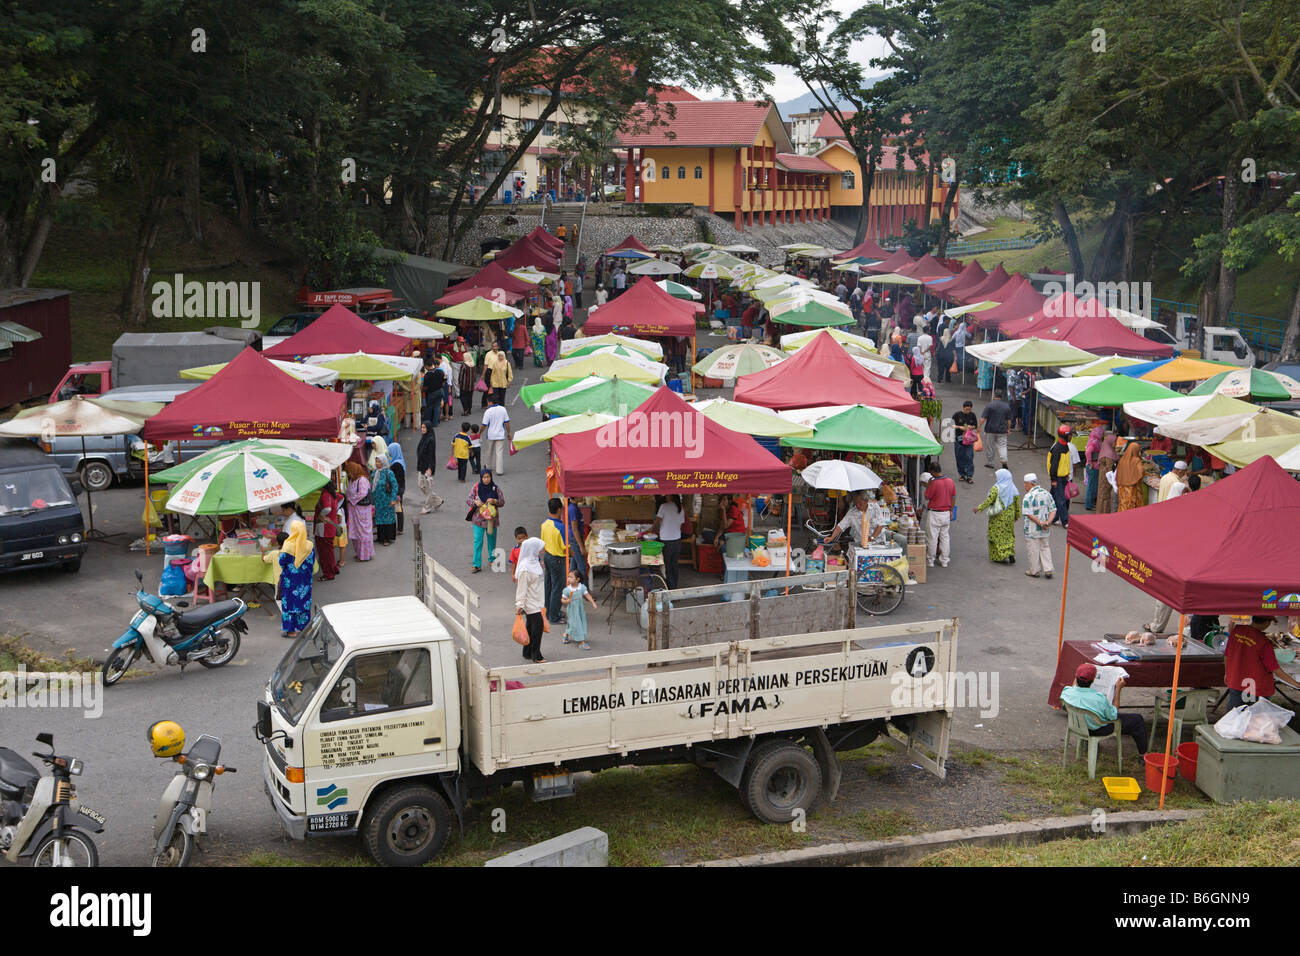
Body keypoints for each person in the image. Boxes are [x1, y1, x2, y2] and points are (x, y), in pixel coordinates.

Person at [1060, 663, 1148, 757]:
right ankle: (1143, 755)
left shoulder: (1066, 692)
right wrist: (1118, 689)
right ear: (1093, 680)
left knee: (1090, 712)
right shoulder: (1099, 698)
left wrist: (1079, 675)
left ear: (1076, 677)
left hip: (1077, 726)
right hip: (1097, 729)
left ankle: (1088, 742)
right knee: (1137, 720)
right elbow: (1113, 714)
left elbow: (1073, 690)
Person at [1224, 615, 1300, 713]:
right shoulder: (1263, 642)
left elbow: (1226, 655)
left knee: (1234, 715)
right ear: (1266, 622)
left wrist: (1227, 672)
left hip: (1235, 680)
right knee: (1253, 718)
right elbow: (1275, 669)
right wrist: (1296, 684)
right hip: (1253, 686)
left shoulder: (1237, 631)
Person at [270, 524, 314, 639]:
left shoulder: (288, 546)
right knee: (303, 604)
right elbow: (312, 562)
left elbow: (282, 562)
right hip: (305, 582)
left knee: (289, 605)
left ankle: (291, 631)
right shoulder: (309, 546)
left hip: (290, 582)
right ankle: (304, 629)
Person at [973, 468, 1020, 564]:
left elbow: (989, 500)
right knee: (1008, 534)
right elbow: (1017, 504)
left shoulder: (996, 488)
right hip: (1009, 516)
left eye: (997, 476)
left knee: (996, 535)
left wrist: (979, 508)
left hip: (998, 516)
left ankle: (1000, 556)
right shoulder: (1013, 488)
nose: (995, 478)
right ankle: (1009, 552)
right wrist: (1017, 515)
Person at [514, 530, 547, 662]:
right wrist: (519, 605)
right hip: (530, 603)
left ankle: (527, 652)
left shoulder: (534, 563)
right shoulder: (525, 568)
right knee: (537, 627)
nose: (542, 550)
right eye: (540, 548)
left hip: (536, 601)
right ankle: (536, 655)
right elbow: (521, 588)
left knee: (530, 626)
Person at [1020, 473, 1056, 578]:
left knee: (1033, 549)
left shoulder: (1028, 497)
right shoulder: (1046, 494)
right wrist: (1047, 522)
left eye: (1025, 484)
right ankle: (1048, 569)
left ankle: (1034, 571)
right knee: (1045, 546)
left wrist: (1040, 523)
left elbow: (1028, 513)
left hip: (1032, 529)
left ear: (1030, 484)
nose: (1024, 486)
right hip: (1045, 529)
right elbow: (1053, 509)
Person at [468, 470, 504, 573]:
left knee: (491, 541)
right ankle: (476, 564)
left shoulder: (495, 489)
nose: (486, 479)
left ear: (491, 477)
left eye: (488, 477)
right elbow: (468, 500)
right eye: (484, 477)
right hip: (478, 520)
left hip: (491, 520)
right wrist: (475, 502)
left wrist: (495, 501)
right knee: (477, 542)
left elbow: (502, 502)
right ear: (481, 478)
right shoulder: (476, 488)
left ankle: (492, 559)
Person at [541, 498, 568, 626]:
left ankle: (549, 612)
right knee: (557, 588)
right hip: (558, 559)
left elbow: (543, 542)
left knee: (549, 586)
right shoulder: (561, 527)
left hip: (547, 556)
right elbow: (565, 546)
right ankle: (554, 616)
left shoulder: (544, 524)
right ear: (559, 509)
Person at [924, 463, 956, 568]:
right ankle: (944, 560)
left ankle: (931, 560)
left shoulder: (934, 483)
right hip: (946, 513)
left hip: (935, 513)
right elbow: (953, 497)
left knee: (932, 538)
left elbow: (927, 496)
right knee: (945, 537)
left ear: (932, 471)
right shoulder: (950, 482)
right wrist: (951, 511)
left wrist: (928, 484)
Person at [652, 494, 685, 589]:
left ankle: (671, 590)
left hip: (667, 541)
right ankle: (674, 588)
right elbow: (681, 523)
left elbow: (657, 522)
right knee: (674, 565)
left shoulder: (664, 506)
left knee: (668, 567)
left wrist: (650, 530)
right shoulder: (680, 508)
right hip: (677, 541)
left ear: (670, 496)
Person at [344, 461, 374, 563]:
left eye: (349, 472)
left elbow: (362, 493)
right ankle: (359, 554)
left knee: (363, 533)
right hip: (355, 511)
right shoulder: (354, 480)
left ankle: (364, 556)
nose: (349, 474)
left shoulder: (362, 480)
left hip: (362, 511)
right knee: (357, 532)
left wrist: (350, 500)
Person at [561, 568, 597, 651]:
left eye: (571, 577)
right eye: (568, 577)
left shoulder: (582, 588)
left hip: (580, 610)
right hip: (571, 610)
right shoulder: (567, 590)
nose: (568, 579)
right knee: (577, 624)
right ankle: (581, 642)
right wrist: (566, 601)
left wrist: (593, 603)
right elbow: (562, 599)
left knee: (576, 623)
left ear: (577, 579)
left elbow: (588, 596)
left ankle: (566, 634)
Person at [1046, 425, 1074, 529]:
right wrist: (1053, 479)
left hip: (1063, 477)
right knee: (1061, 499)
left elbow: (1064, 462)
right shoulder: (1057, 448)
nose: (1071, 437)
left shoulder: (1065, 446)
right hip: (1057, 478)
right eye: (1070, 435)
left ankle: (1053, 517)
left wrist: (1066, 474)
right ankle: (1065, 521)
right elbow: (1054, 466)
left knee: (1053, 498)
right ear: (1065, 436)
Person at [313, 482, 341, 581]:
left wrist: (321, 515)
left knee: (324, 553)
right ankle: (333, 568)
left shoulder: (325, 494)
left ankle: (329, 574)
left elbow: (327, 508)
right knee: (329, 551)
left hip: (324, 528)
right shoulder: (332, 493)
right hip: (330, 525)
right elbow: (341, 498)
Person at [371, 455, 400, 547]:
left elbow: (395, 486)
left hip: (387, 500)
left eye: (379, 462)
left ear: (383, 462)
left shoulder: (389, 473)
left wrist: (393, 499)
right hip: (378, 500)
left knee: (387, 519)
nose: (377, 463)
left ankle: (386, 538)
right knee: (379, 518)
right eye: (376, 461)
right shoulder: (375, 472)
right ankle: (380, 537)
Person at [980, 389, 1012, 470]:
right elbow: (1008, 420)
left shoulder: (990, 405)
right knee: (1002, 446)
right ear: (1001, 396)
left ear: (994, 396)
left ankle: (990, 462)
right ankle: (1004, 461)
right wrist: (1008, 429)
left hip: (990, 429)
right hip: (1002, 430)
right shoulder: (1006, 406)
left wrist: (978, 426)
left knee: (990, 446)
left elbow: (983, 418)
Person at [416, 422, 444, 513]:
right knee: (421, 485)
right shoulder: (424, 437)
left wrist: (429, 468)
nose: (422, 429)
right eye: (422, 427)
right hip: (421, 466)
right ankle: (438, 501)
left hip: (427, 467)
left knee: (428, 488)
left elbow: (431, 455)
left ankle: (427, 507)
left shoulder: (430, 439)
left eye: (424, 427)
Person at [480, 396, 512, 476]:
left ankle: (488, 466)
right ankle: (499, 470)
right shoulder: (503, 409)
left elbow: (484, 425)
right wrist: (508, 433)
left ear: (490, 402)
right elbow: (507, 422)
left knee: (489, 451)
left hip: (491, 435)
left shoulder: (488, 411)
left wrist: (479, 433)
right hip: (500, 434)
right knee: (499, 452)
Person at [1115, 442, 1146, 511]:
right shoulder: (1136, 460)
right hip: (1132, 488)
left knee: (1123, 504)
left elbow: (1118, 472)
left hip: (1122, 487)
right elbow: (1141, 472)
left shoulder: (1122, 459)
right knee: (1131, 506)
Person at [952, 400, 978, 483]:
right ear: (963, 408)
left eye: (969, 409)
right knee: (959, 457)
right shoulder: (957, 415)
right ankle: (962, 475)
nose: (968, 411)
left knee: (969, 457)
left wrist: (971, 427)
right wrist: (960, 427)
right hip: (959, 439)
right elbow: (952, 425)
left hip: (969, 440)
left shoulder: (972, 415)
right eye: (966, 409)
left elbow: (975, 426)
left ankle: (969, 476)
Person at [386, 440, 407, 535]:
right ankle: (400, 528)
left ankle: (399, 528)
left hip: (397, 490)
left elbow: (397, 480)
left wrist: (396, 493)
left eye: (390, 451)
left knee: (398, 508)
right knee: (398, 508)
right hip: (400, 488)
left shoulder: (396, 465)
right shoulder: (400, 461)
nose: (389, 453)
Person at [1094, 430, 1117, 514]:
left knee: (1101, 493)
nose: (1115, 444)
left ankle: (1100, 511)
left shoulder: (1105, 448)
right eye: (1114, 442)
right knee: (1105, 495)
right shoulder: (1109, 453)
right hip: (1106, 476)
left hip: (1102, 473)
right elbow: (1109, 468)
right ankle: (1103, 512)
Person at [1084, 424, 1104, 511]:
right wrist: (1090, 462)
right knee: (1091, 486)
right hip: (1093, 467)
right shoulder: (1095, 441)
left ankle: (1091, 503)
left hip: (1093, 466)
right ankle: (1089, 504)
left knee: (1092, 485)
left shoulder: (1093, 440)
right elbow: (1088, 452)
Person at [423, 360, 446, 427]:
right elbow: (444, 380)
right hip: (440, 391)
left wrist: (424, 390)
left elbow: (425, 387)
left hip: (432, 393)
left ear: (427, 366)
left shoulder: (427, 375)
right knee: (437, 407)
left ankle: (427, 422)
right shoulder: (440, 371)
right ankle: (435, 423)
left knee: (429, 407)